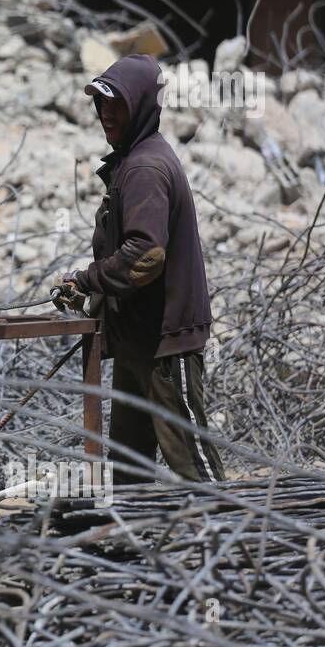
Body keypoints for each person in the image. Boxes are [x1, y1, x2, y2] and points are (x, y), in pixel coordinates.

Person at [58, 54, 225, 484]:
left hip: (164, 345)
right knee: (128, 473)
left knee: (195, 468)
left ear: (143, 106)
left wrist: (87, 279)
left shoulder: (145, 167)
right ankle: (130, 547)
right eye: (101, 104)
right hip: (137, 341)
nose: (107, 114)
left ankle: (232, 537)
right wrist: (88, 291)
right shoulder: (132, 159)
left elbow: (145, 255)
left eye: (118, 104)